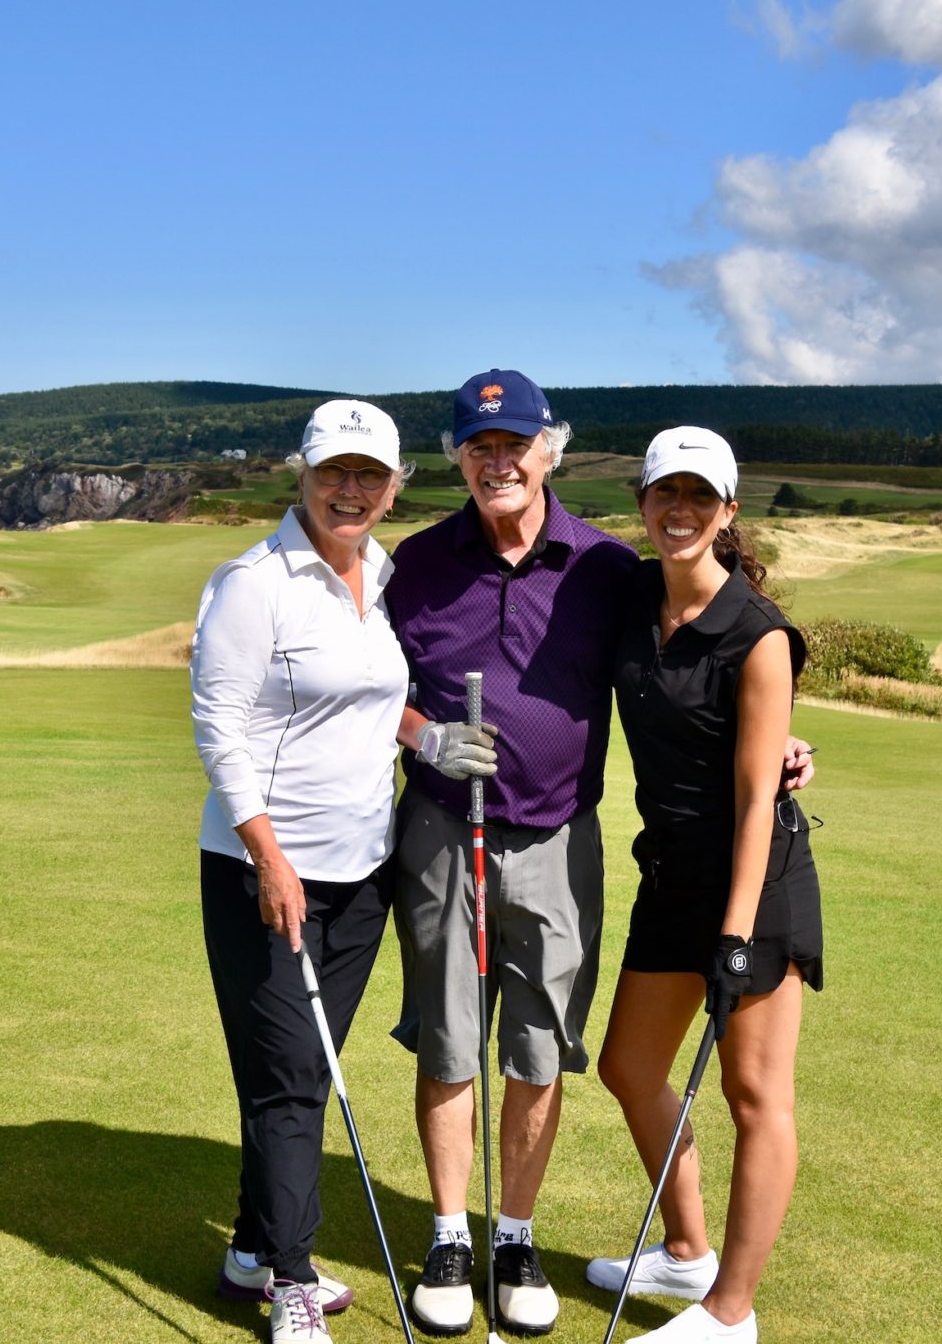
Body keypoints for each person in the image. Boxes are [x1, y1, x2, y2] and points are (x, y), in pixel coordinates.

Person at [384, 372, 813, 1338]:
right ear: (458, 455)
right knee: (456, 1040)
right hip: (449, 833)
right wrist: (422, 736)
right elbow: (374, 686)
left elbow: (732, 663)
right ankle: (454, 1235)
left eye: (516, 445)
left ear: (551, 451)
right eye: (478, 446)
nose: (498, 462)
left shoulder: (603, 569)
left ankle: (516, 1238)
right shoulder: (413, 564)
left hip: (562, 840)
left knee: (541, 1050)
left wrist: (782, 743)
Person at [191, 398, 460, 1344]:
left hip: (364, 870)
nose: (351, 490)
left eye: (370, 476)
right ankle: (294, 1278)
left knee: (301, 1070)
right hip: (266, 873)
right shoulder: (252, 583)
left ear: (393, 489)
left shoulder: (379, 576)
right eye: (334, 472)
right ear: (299, 474)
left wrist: (433, 739)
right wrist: (269, 855)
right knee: (291, 1077)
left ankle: (250, 1251)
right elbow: (219, 731)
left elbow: (372, 700)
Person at [585, 427, 823, 1344]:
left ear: (729, 512)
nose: (679, 510)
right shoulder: (636, 592)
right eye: (663, 493)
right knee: (631, 1069)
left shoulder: (757, 635)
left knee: (755, 1094)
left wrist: (733, 937)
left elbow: (760, 795)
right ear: (643, 503)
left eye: (700, 496)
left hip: (754, 884)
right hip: (670, 873)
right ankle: (686, 1251)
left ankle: (730, 1313)